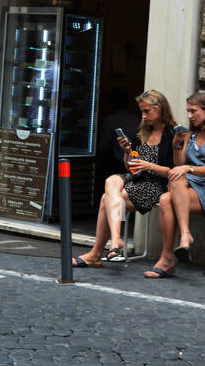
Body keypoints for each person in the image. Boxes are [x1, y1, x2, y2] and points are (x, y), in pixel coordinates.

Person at [74, 89, 179, 269]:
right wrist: (127, 152)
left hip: (155, 186)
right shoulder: (142, 133)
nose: (144, 116)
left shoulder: (172, 136)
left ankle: (97, 253)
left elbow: (174, 171)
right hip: (135, 180)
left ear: (160, 108)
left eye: (147, 111)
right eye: (142, 112)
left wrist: (149, 166)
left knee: (105, 199)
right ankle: (115, 241)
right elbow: (130, 167)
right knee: (111, 181)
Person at [151, 92, 205, 278]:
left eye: (193, 111)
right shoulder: (190, 135)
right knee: (164, 199)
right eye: (187, 111)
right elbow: (179, 166)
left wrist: (188, 168)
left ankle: (176, 247)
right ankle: (169, 255)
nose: (189, 116)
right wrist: (177, 145)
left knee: (171, 188)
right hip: (185, 187)